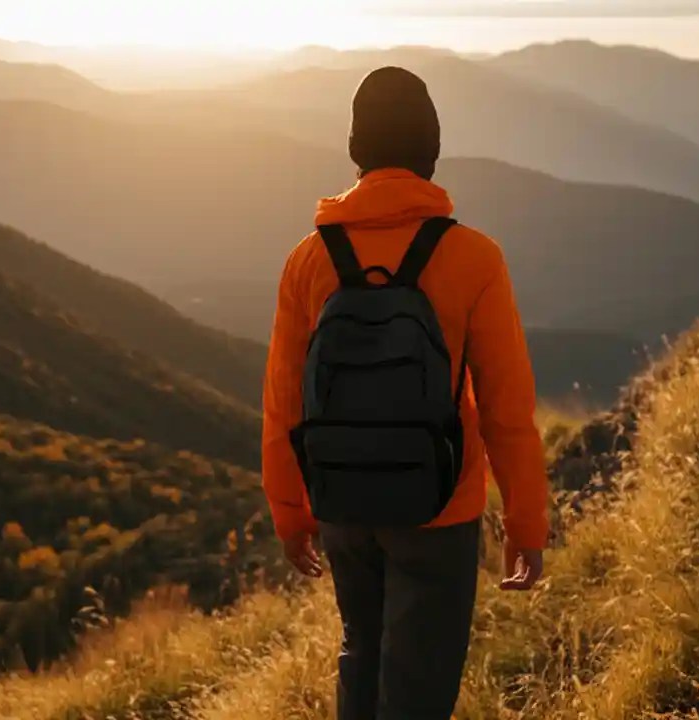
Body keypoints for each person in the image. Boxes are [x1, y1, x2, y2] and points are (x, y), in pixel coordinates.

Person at [261, 66, 550, 720]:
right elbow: (507, 411)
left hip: (342, 500)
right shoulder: (474, 258)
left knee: (360, 654)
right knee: (417, 687)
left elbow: (285, 401)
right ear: (432, 150)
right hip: (439, 506)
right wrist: (526, 520)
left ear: (356, 148)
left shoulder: (310, 259)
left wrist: (290, 508)